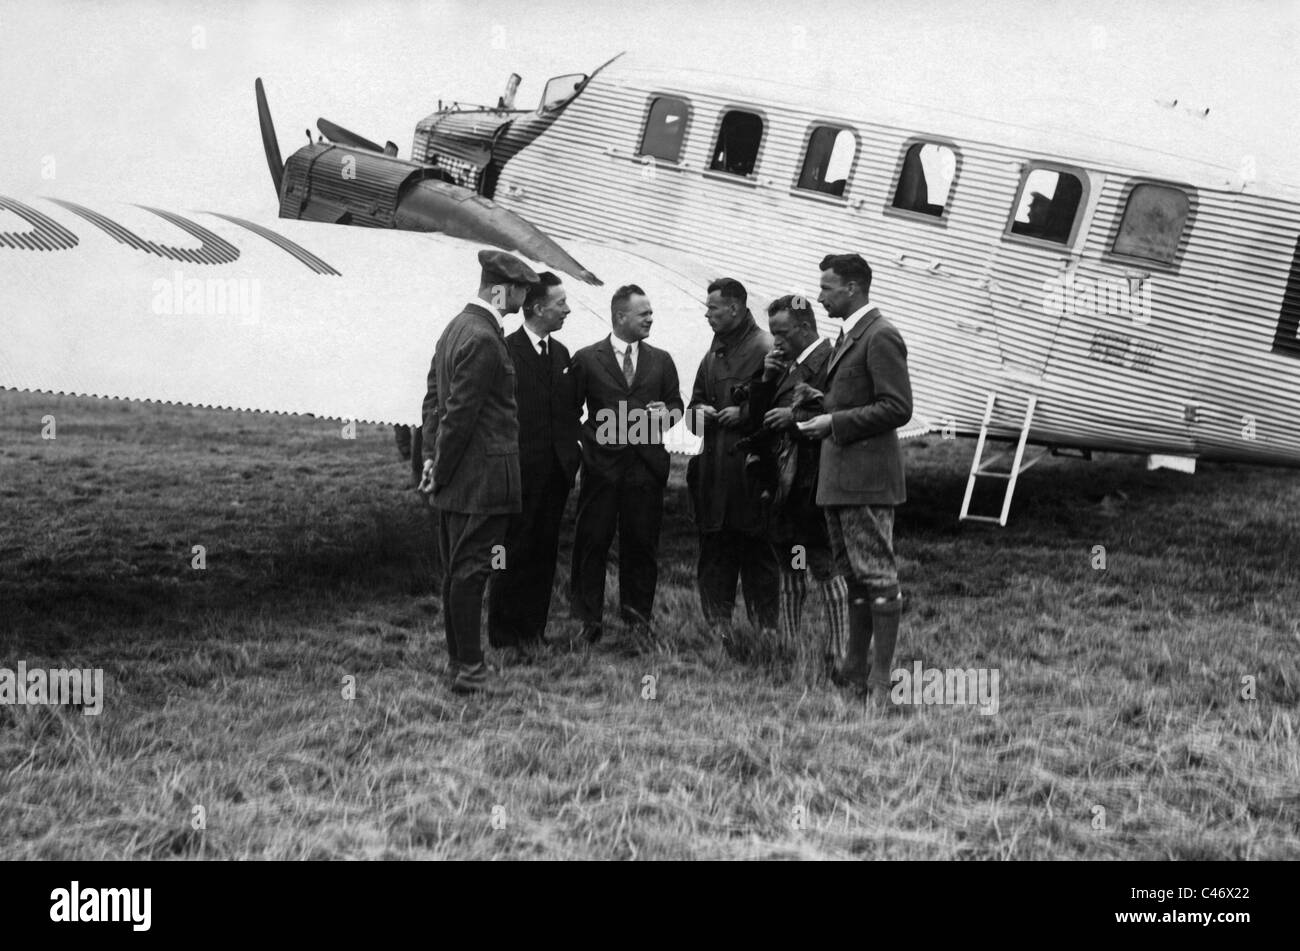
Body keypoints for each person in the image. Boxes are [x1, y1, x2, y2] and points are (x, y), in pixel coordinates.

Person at [418, 249, 538, 694]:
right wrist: (440, 468)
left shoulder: (456, 328)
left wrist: (431, 460)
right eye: (522, 290)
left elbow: (434, 401)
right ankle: (469, 669)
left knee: (457, 573)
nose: (525, 299)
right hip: (481, 483)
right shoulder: (486, 337)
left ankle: (460, 663)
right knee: (471, 573)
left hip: (457, 479)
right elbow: (460, 414)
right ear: (501, 289)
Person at [798, 253, 912, 704]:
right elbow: (854, 399)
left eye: (826, 288)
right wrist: (819, 402)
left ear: (852, 288)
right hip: (842, 478)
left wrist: (834, 423)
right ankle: (854, 668)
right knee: (857, 578)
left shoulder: (880, 335)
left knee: (878, 577)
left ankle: (881, 680)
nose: (820, 296)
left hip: (865, 478)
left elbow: (897, 407)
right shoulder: (850, 335)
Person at [569, 284, 683, 643]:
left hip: (645, 470)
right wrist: (590, 448)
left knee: (642, 546)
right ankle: (589, 621)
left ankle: (638, 619)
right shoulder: (587, 359)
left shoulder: (661, 360)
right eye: (643, 313)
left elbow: (676, 407)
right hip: (601, 470)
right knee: (592, 543)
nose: (651, 318)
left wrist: (667, 413)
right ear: (620, 317)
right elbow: (570, 412)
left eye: (651, 312)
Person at [744, 294, 847, 667]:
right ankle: (789, 645)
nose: (777, 342)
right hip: (784, 486)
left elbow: (839, 409)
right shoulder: (785, 365)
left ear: (805, 328)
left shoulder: (831, 360)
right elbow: (756, 421)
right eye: (773, 334)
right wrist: (767, 378)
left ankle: (840, 651)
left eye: (783, 333)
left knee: (824, 567)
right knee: (792, 565)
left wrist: (796, 417)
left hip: (815, 482)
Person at [487, 272, 582, 653]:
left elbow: (568, 410)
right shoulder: (504, 350)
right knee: (511, 551)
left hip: (555, 475)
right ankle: (504, 633)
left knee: (544, 551)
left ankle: (533, 632)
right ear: (539, 308)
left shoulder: (560, 355)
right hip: (518, 474)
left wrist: (570, 458)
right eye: (561, 304)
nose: (568, 310)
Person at [686, 278, 779, 633]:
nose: (707, 314)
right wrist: (699, 413)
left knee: (758, 557)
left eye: (713, 308)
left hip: (751, 477)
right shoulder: (711, 355)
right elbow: (692, 409)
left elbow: (784, 406)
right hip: (713, 478)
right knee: (714, 557)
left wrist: (744, 415)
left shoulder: (766, 348)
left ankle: (766, 633)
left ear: (735, 308)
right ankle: (717, 631)